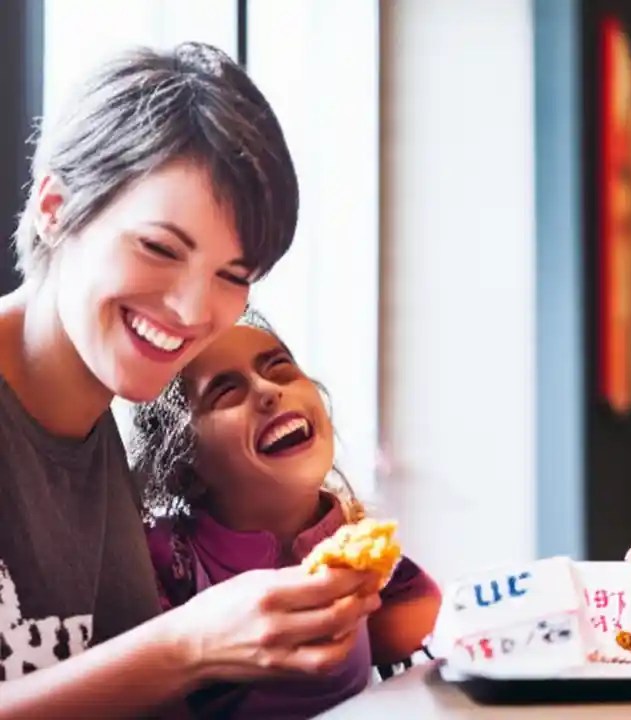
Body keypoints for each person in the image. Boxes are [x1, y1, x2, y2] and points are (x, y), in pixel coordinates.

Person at [0, 43, 378, 718]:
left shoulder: (96, 429)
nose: (192, 311)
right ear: (55, 208)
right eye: (158, 248)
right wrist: (186, 646)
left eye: (233, 277)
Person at [132, 313, 441, 717]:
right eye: (225, 393)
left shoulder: (356, 544)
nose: (267, 391)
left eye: (279, 369)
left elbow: (433, 617)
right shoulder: (156, 560)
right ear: (186, 469)